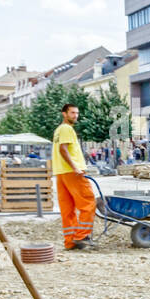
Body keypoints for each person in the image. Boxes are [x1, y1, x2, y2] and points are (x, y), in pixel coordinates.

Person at [53, 103, 96, 251]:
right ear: (64, 113)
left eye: (77, 113)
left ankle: (70, 241)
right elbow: (63, 149)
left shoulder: (58, 130)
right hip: (72, 172)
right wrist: (75, 167)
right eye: (72, 113)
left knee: (68, 208)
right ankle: (81, 236)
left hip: (61, 173)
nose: (75, 116)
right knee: (88, 203)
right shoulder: (66, 129)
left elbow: (61, 149)